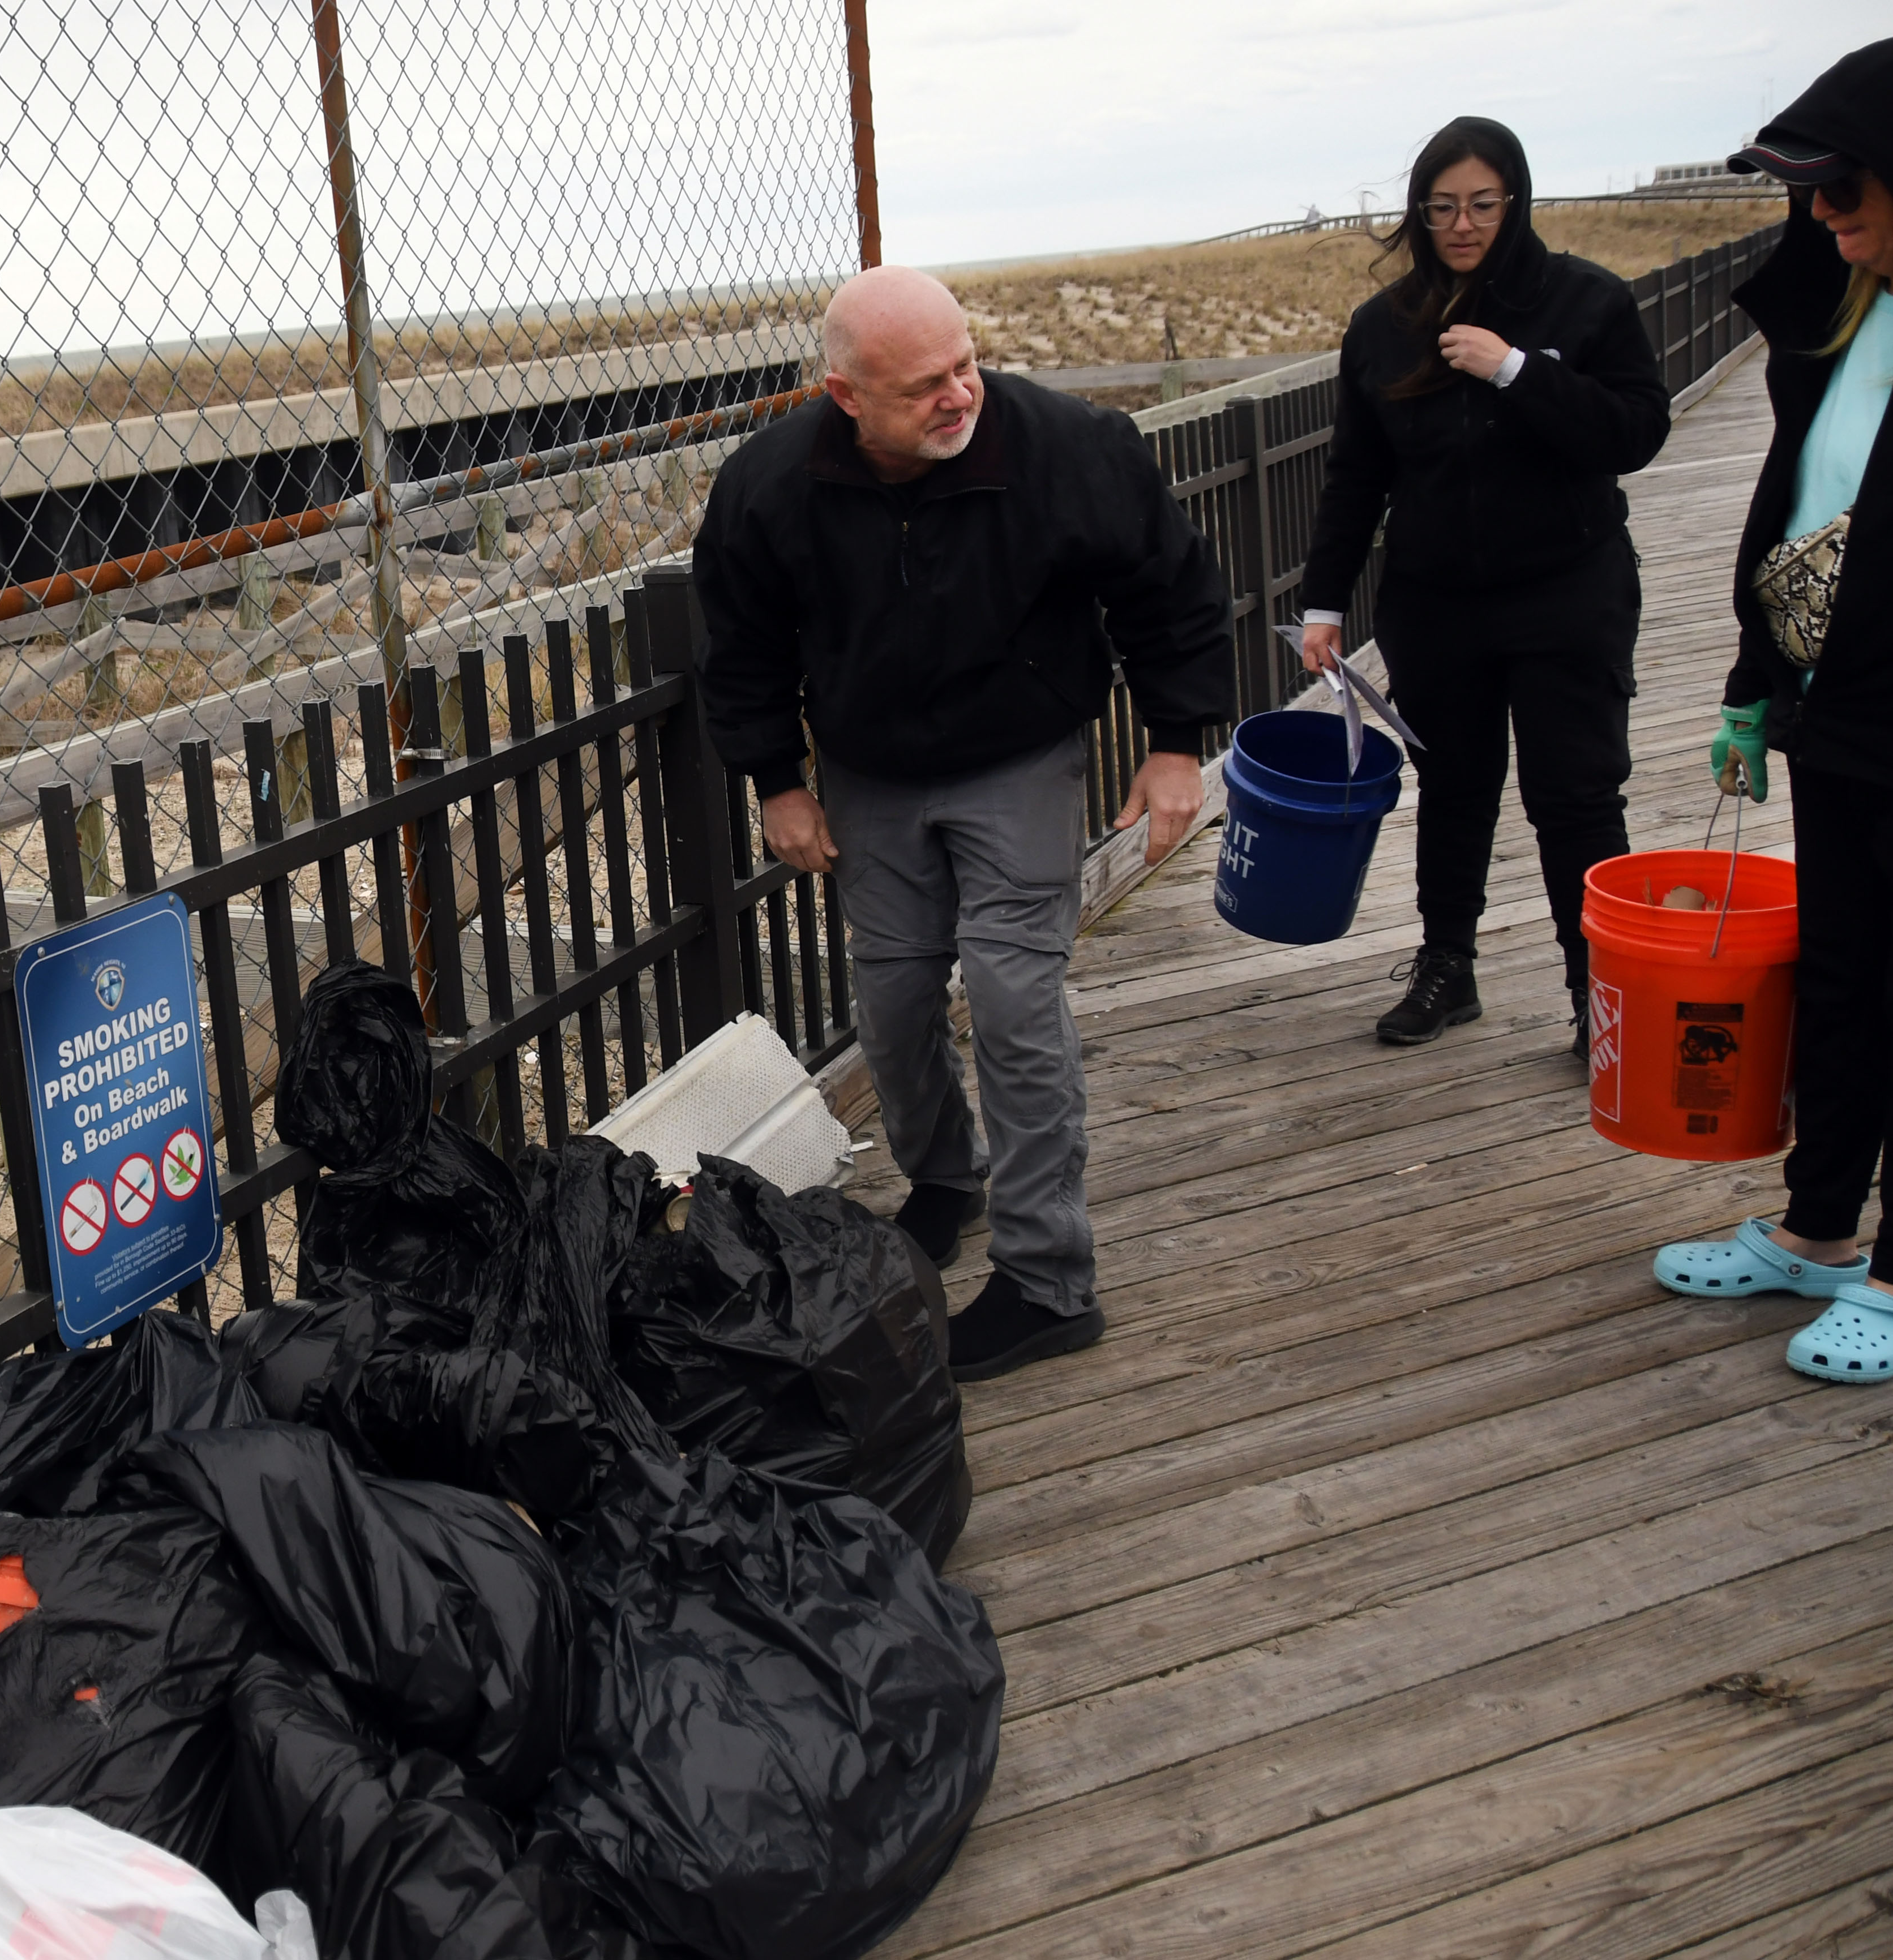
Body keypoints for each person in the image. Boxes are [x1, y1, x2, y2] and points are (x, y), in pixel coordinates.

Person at [690, 265, 1233, 1382]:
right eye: (924, 385)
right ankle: (945, 1176)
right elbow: (740, 643)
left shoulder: (1072, 449)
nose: (958, 396)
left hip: (1018, 757)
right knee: (888, 1001)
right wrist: (774, 781)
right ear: (845, 396)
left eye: (966, 365)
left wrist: (1177, 741)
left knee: (1010, 994)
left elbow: (1167, 589)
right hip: (870, 770)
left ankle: (1047, 1279)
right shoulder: (772, 487)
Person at [1300, 118, 1671, 1057]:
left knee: (1576, 797)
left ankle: (1600, 1000)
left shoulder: (1587, 303)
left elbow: (1635, 433)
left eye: (1480, 205)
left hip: (1567, 591)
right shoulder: (1383, 329)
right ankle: (1446, 969)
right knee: (1455, 788)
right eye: (1441, 208)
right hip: (1436, 604)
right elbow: (1357, 474)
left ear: (1517, 202)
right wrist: (1324, 601)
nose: (1461, 225)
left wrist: (1516, 372)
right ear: (1419, 213)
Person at [1654, 40, 1893, 1386]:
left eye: (1845, 183)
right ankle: (1818, 1229)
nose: (1821, 211)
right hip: (1836, 708)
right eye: (1805, 189)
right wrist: (1753, 684)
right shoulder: (1849, 315)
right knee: (1846, 977)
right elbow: (1790, 509)